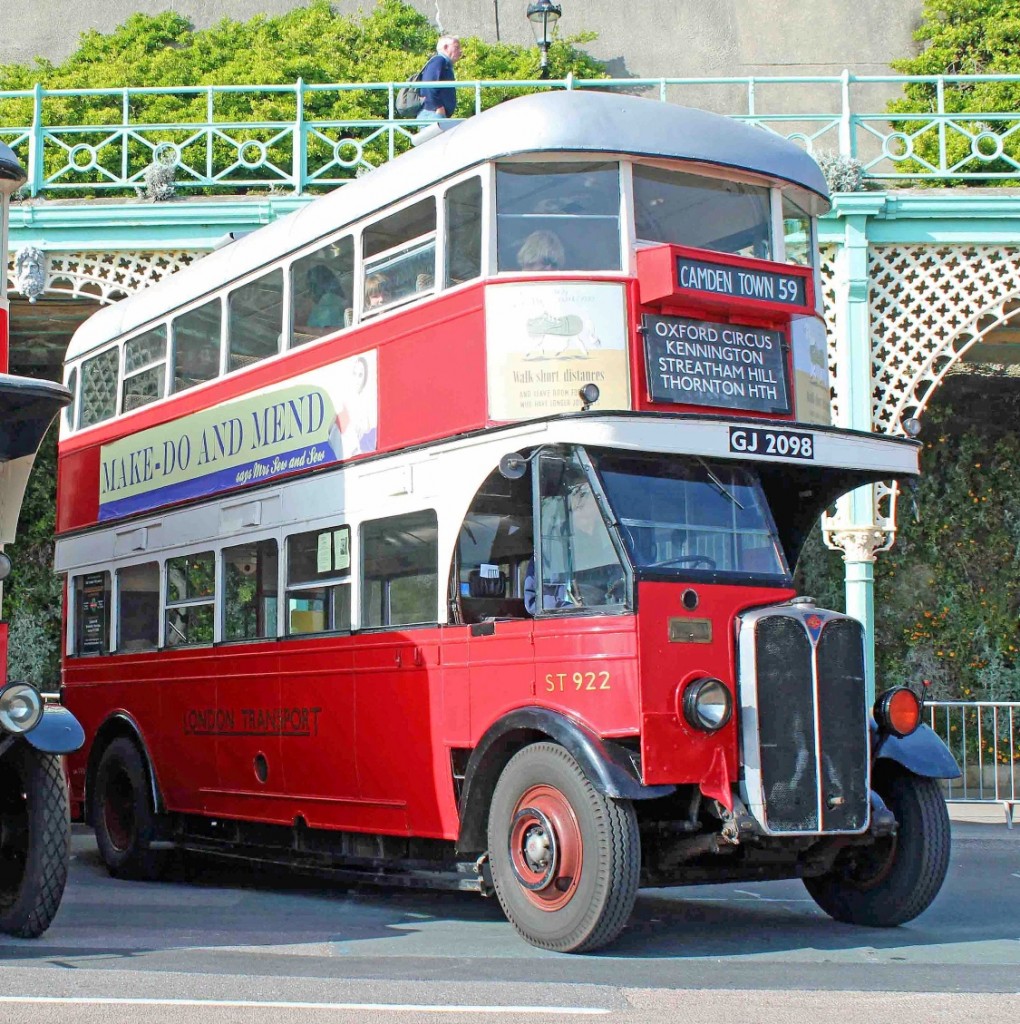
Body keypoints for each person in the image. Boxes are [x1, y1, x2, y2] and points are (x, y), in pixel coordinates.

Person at [418, 36, 461, 121]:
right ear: (445, 47)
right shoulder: (439, 61)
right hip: (432, 114)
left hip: (435, 114)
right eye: (456, 47)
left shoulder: (444, 63)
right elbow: (428, 85)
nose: (460, 51)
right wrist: (438, 107)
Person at [306, 265, 346, 329]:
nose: (310, 290)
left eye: (313, 285)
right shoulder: (324, 302)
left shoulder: (329, 300)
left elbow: (329, 331)